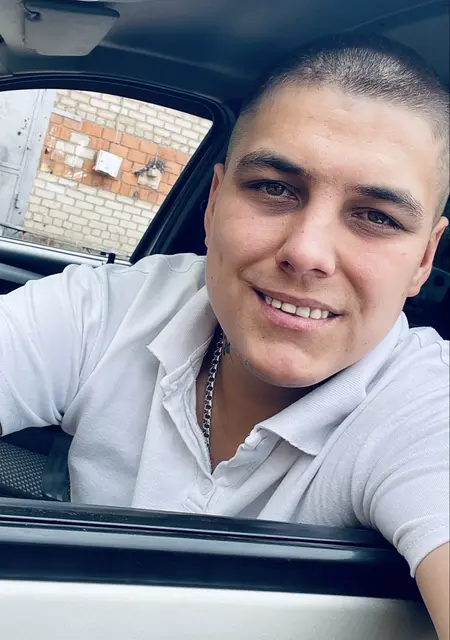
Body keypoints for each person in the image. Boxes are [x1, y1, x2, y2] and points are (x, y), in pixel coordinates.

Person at [0, 33, 449, 635]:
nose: (307, 252)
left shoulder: (425, 411)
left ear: (424, 260)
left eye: (376, 217)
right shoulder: (112, 310)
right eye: (273, 188)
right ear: (213, 204)